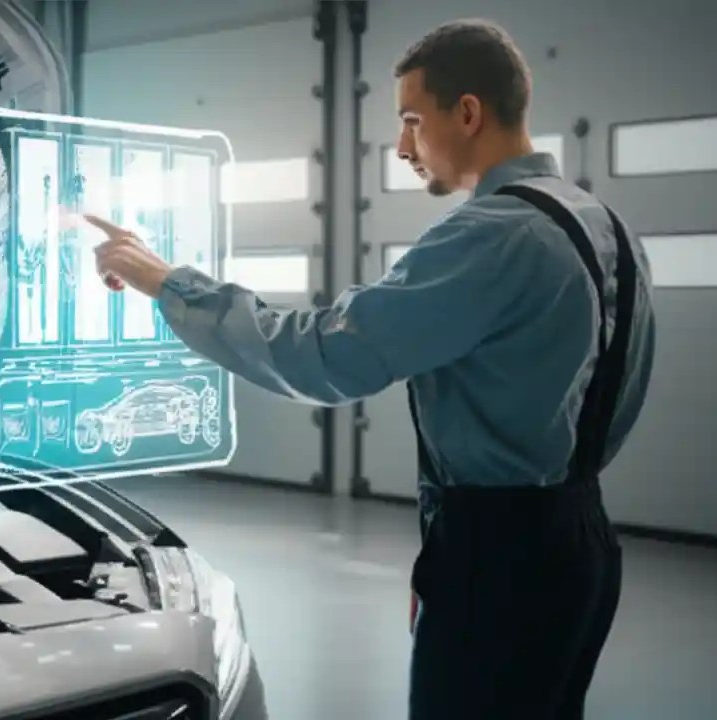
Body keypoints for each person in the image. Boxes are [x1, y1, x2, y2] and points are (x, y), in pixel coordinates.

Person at [83, 18, 656, 720]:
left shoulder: (490, 235)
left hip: (500, 560)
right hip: (584, 545)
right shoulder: (608, 227)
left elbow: (326, 355)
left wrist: (167, 282)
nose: (402, 146)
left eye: (413, 120)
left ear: (468, 112)